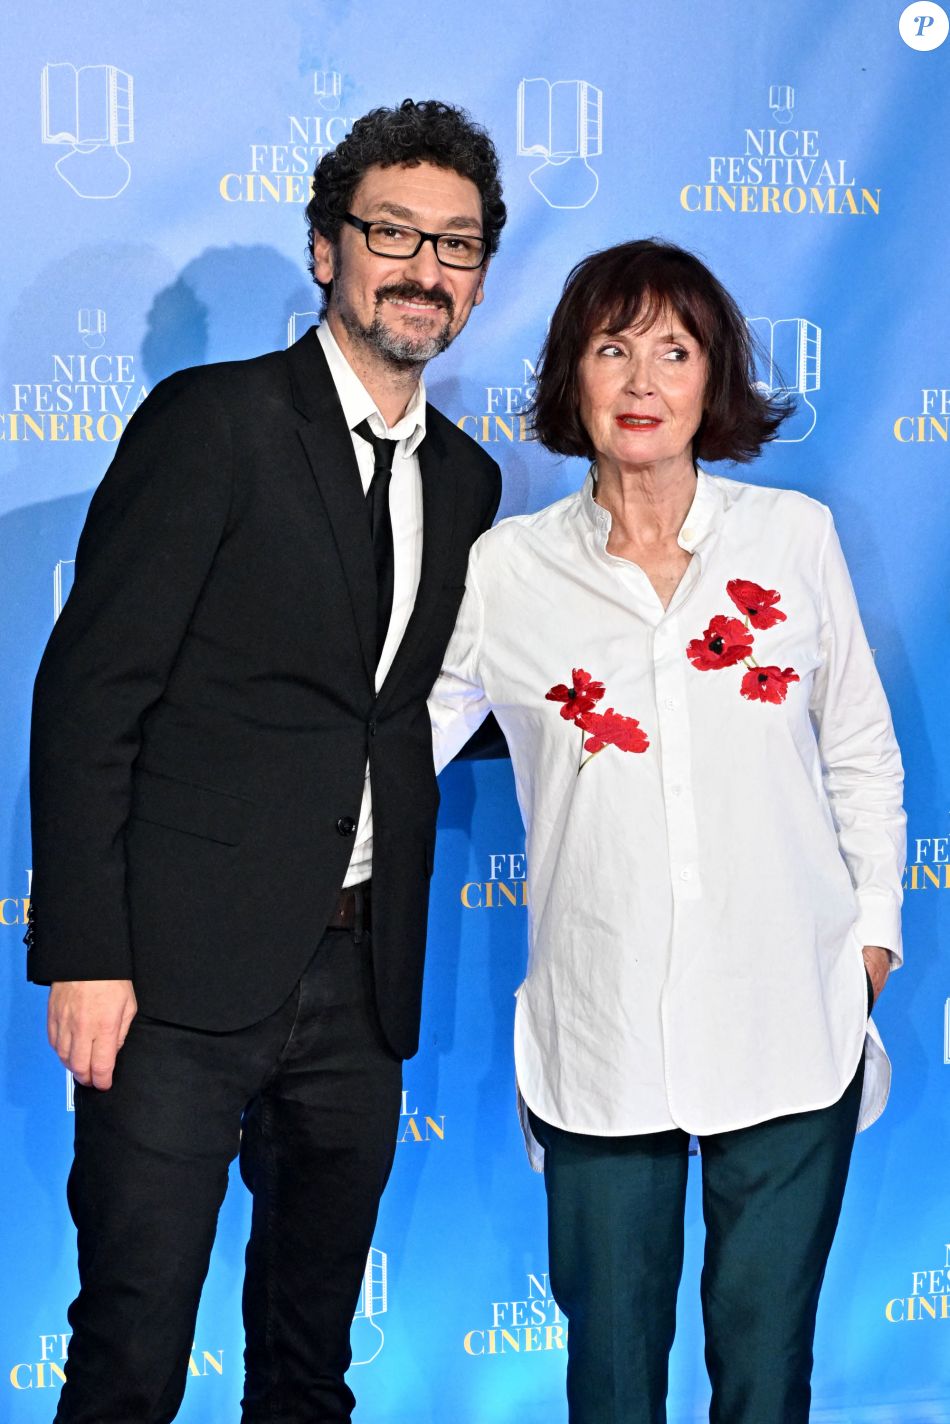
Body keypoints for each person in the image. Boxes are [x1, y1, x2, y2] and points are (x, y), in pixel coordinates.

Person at [27, 98, 505, 1424]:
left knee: (311, 1364)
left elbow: (413, 706)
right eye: (393, 233)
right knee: (130, 1353)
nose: (422, 269)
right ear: (324, 250)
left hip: (358, 986)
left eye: (455, 246)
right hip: (174, 982)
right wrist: (86, 951)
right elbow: (88, 698)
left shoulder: (468, 483)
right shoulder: (212, 423)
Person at [429, 238, 905, 1424]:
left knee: (763, 1371)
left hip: (790, 1011)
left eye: (672, 350)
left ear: (712, 378)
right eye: (609, 348)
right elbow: (391, 750)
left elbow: (857, 749)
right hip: (597, 1032)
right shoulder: (506, 570)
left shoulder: (791, 539)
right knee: (609, 1378)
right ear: (569, 378)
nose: (640, 379)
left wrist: (873, 937)